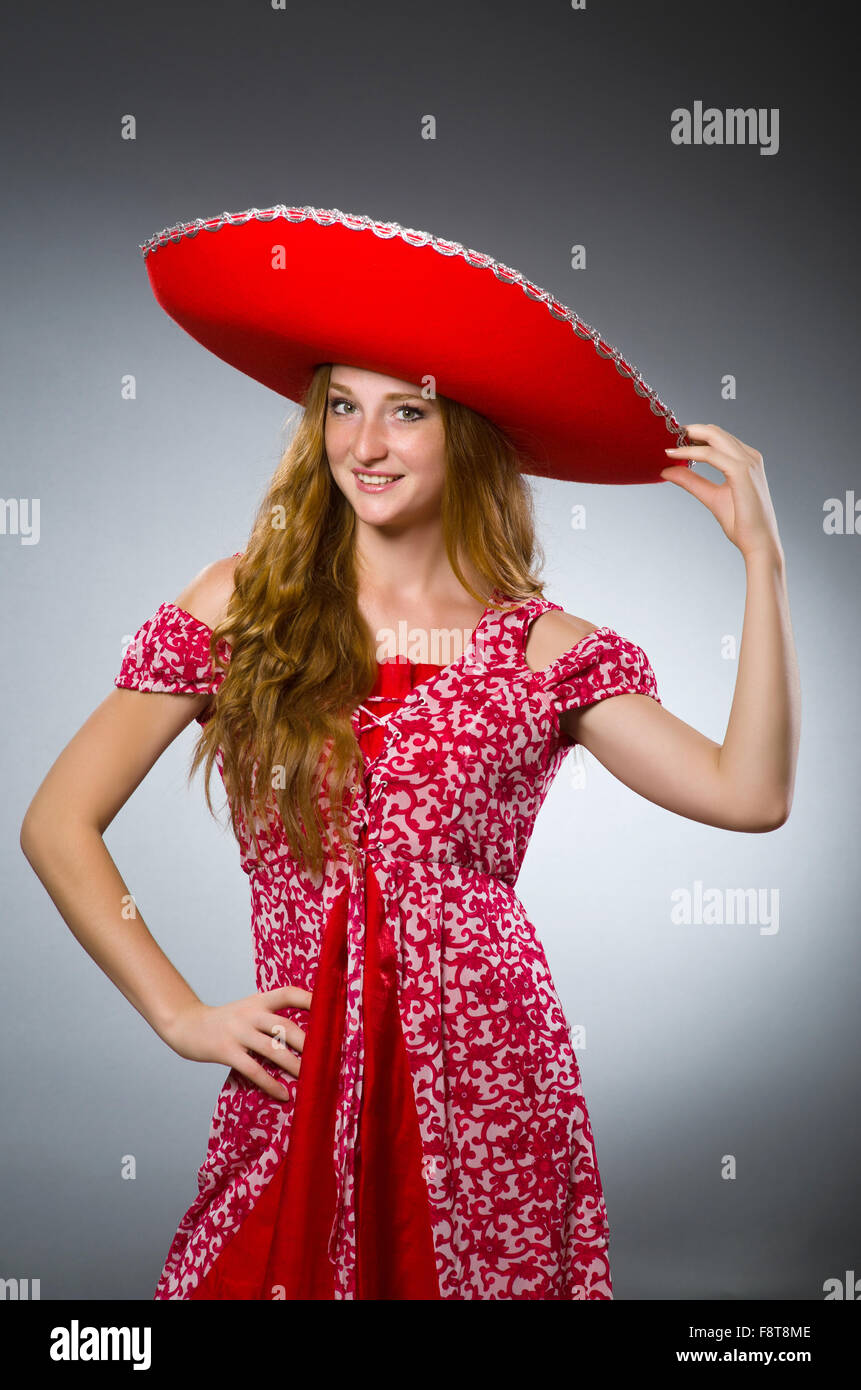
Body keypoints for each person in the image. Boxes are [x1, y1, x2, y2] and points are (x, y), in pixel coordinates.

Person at [19, 207, 801, 1301]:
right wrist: (181, 1013)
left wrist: (763, 567)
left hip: (489, 1078)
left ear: (464, 432)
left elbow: (750, 793)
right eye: (342, 405)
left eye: (407, 411)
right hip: (298, 1070)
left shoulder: (541, 648)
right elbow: (57, 822)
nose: (364, 444)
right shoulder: (242, 604)